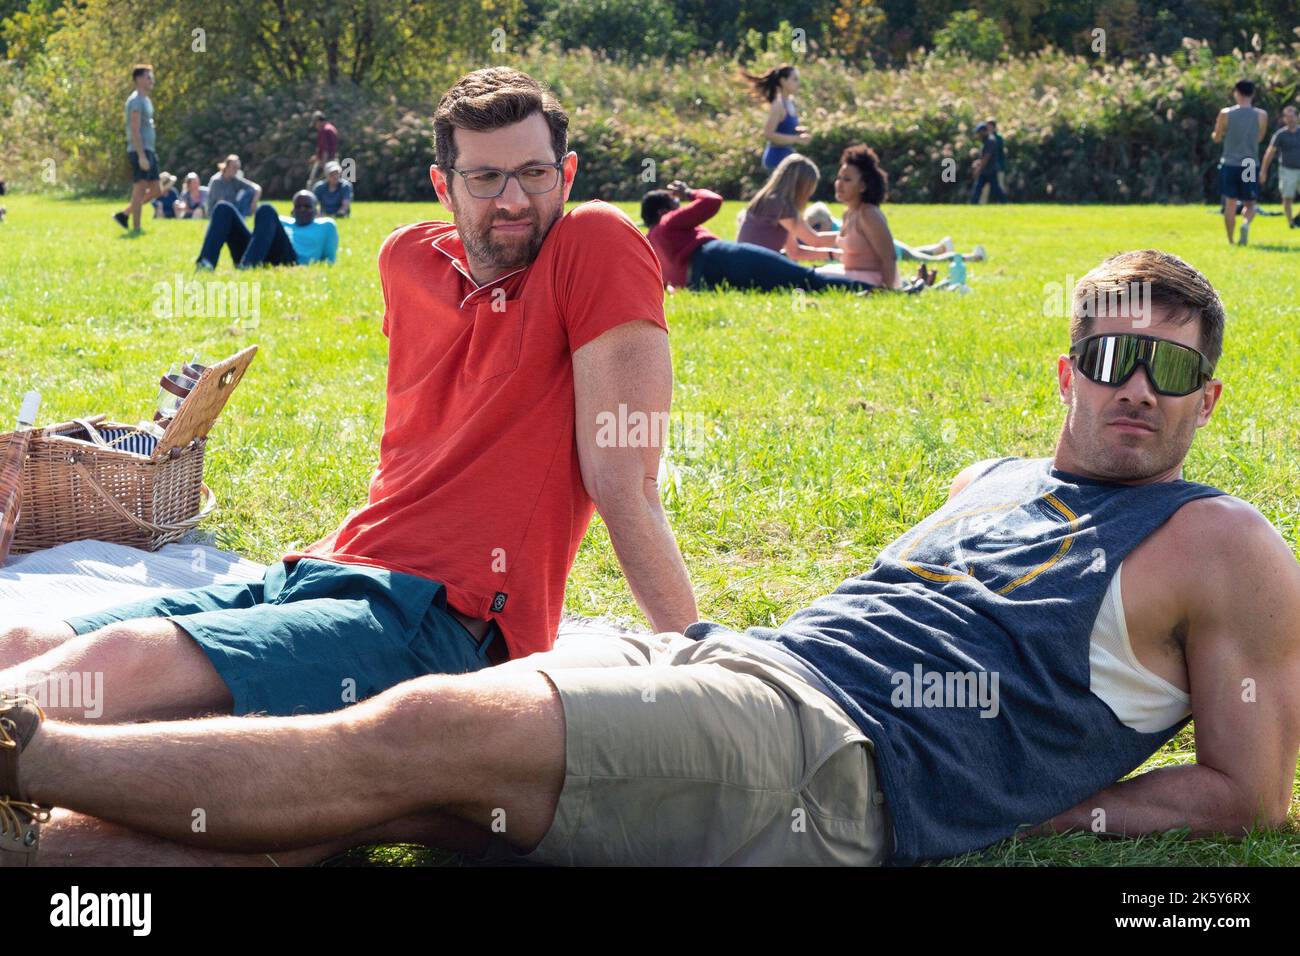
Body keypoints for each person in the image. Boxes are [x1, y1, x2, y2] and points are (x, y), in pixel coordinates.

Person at [3, 248, 1297, 868]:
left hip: (833, 756)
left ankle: (31, 746)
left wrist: (1048, 807)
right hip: (746, 670)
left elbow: (1250, 794)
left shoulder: (1219, 540)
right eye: (1115, 359)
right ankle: (54, 838)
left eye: (1172, 369)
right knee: (388, 805)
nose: (1139, 391)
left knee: (419, 730)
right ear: (1068, 372)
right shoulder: (992, 483)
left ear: (1207, 400)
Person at [0, 67, 695, 837]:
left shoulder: (594, 243)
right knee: (29, 642)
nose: (513, 200)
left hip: (441, 619)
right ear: (442, 184)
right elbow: (424, 448)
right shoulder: (406, 261)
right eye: (487, 176)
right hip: (319, 572)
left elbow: (624, 480)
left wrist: (699, 664)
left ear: (565, 173)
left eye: (535, 174)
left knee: (128, 663)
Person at [643, 180, 920, 294]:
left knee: (786, 286)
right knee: (806, 279)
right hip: (720, 258)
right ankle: (880, 290)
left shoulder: (650, 242)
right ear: (664, 210)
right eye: (674, 203)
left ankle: (874, 288)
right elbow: (713, 202)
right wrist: (690, 192)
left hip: (702, 282)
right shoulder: (668, 222)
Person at [739, 154, 985, 265]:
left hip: (750, 264)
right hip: (754, 266)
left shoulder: (765, 201)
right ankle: (958, 257)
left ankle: (948, 252)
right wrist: (846, 240)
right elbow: (811, 240)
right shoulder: (780, 204)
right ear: (800, 186)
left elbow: (794, 250)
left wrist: (838, 250)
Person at [195, 191, 338, 269]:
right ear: (292, 211)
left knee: (266, 209)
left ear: (316, 211)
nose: (302, 210)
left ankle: (248, 267)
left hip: (290, 260)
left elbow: (329, 261)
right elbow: (260, 237)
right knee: (223, 208)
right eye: (298, 206)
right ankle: (206, 263)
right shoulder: (282, 222)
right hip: (259, 253)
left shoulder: (326, 226)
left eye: (307, 206)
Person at [1212, 79, 1268, 246]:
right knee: (1250, 203)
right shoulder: (1261, 115)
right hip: (1249, 163)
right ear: (1253, 94)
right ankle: (1245, 224)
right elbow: (1260, 137)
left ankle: (1231, 240)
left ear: (1237, 92)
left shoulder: (1225, 113)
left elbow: (1216, 137)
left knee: (1230, 203)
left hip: (1229, 164)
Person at [113, 65, 161, 232]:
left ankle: (125, 214)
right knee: (140, 188)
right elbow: (134, 129)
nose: (151, 80)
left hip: (150, 149)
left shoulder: (146, 100)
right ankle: (136, 227)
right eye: (148, 77)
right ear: (139, 79)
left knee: (156, 190)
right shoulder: (135, 101)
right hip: (139, 150)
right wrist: (141, 156)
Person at [741, 64, 811, 171]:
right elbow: (768, 134)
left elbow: (784, 128)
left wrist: (798, 131)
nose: (798, 83)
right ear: (783, 81)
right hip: (776, 159)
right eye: (795, 79)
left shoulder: (791, 101)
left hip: (787, 157)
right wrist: (796, 139)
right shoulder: (778, 105)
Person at [1260, 103, 1300, 229]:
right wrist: (1263, 171)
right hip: (1287, 170)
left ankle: (1297, 219)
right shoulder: (1280, 135)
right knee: (1287, 197)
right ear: (1284, 119)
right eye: (1287, 117)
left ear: (1297, 117)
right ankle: (1291, 223)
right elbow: (1270, 152)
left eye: (1292, 116)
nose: (1290, 119)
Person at [970, 120, 1007, 204]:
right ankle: (973, 204)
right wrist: (978, 162)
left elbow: (987, 157)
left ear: (983, 131)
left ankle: (1005, 203)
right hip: (986, 170)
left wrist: (978, 169)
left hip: (990, 170)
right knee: (978, 188)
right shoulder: (986, 141)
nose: (978, 135)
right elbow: (984, 157)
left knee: (996, 189)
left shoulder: (990, 141)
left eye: (979, 132)